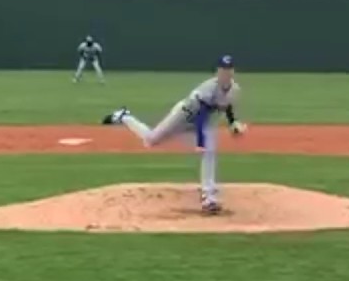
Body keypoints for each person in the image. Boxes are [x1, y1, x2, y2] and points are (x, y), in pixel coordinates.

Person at [100, 55, 246, 214]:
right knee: (151, 140)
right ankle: (125, 116)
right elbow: (201, 115)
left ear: (233, 71)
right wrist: (200, 141)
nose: (226, 72)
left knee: (210, 152)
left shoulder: (235, 89)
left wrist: (232, 123)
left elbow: (227, 105)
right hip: (182, 116)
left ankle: (209, 197)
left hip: (203, 123)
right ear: (217, 71)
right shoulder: (208, 88)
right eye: (223, 69)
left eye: (228, 69)